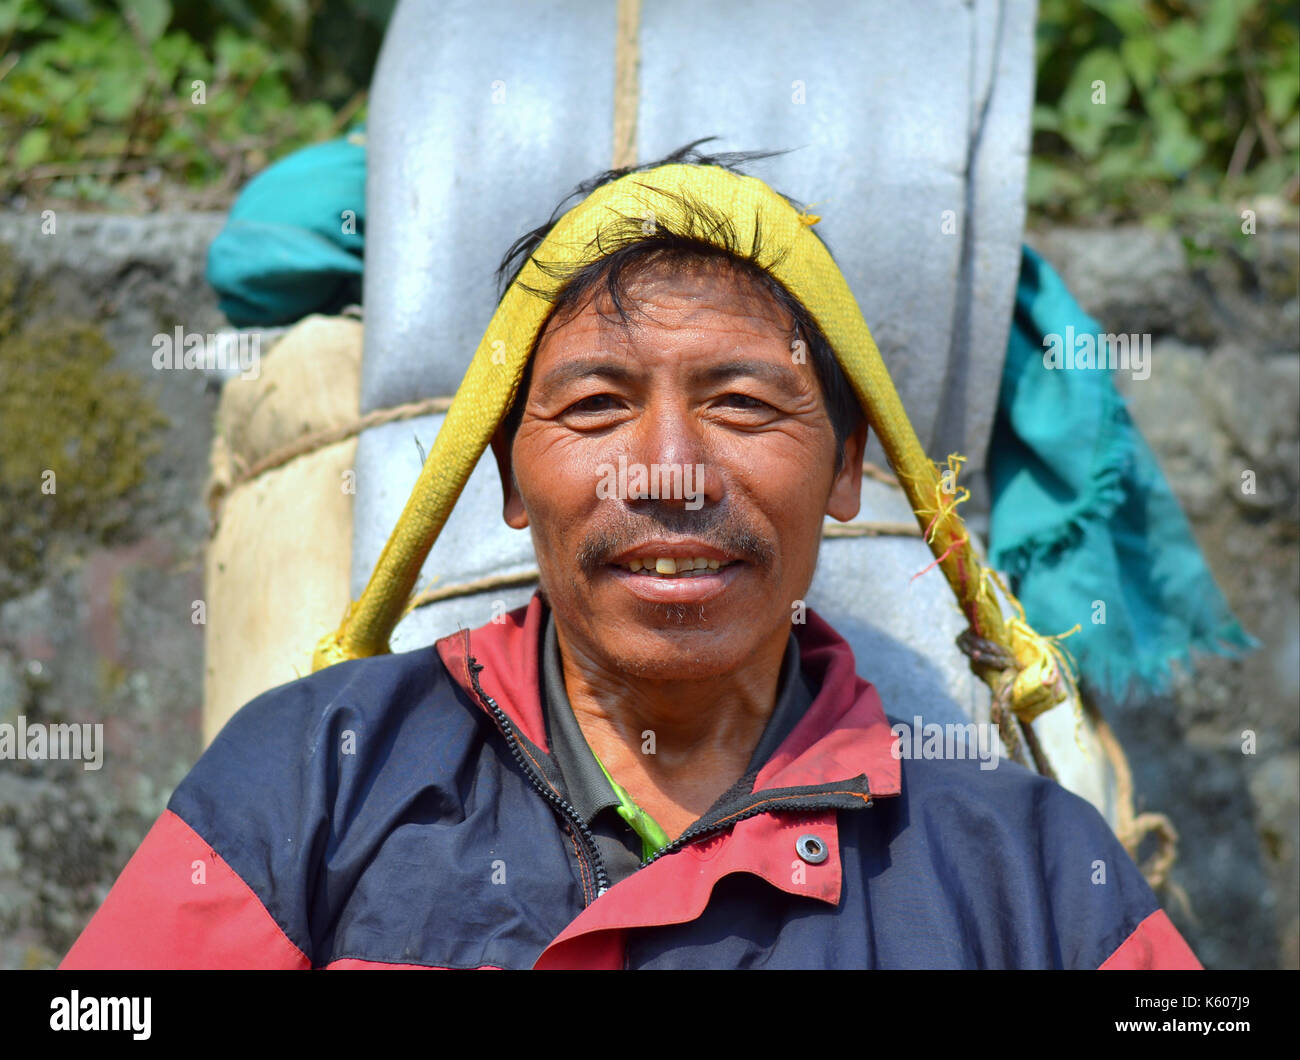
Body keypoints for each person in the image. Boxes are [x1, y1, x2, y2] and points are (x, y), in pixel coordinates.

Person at [61, 145, 1200, 969]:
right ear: (507, 476)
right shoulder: (317, 773)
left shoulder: (1030, 872)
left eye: (745, 404)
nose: (666, 471)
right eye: (597, 405)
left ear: (848, 469)